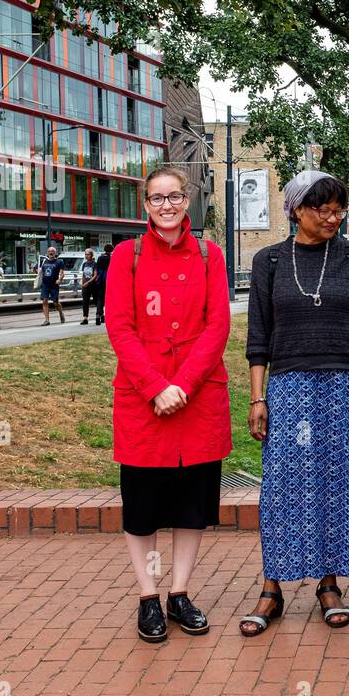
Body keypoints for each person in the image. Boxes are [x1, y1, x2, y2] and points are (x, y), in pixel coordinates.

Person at [242, 169, 349, 637]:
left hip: (344, 385)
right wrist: (258, 397)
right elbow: (258, 336)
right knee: (282, 488)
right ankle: (272, 588)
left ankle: (329, 585)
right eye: (323, 209)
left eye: (339, 208)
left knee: (338, 484)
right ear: (296, 210)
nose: (334, 217)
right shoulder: (269, 261)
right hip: (288, 386)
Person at [104, 166, 231, 644]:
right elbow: (120, 327)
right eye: (157, 198)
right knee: (141, 505)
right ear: (145, 205)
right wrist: (157, 387)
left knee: (190, 503)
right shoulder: (126, 256)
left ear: (188, 201)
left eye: (175, 196)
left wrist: (184, 384)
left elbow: (217, 325)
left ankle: (179, 592)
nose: (167, 205)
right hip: (145, 402)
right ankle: (147, 596)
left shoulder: (209, 255)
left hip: (196, 401)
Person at [38, 246, 65, 325]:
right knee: (44, 301)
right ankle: (47, 320)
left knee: (55, 302)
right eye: (49, 251)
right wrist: (37, 270)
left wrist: (60, 279)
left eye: (53, 251)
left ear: (55, 253)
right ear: (47, 252)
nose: (51, 252)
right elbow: (38, 270)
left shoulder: (59, 262)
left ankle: (60, 312)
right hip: (45, 284)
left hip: (54, 285)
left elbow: (62, 273)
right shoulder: (44, 261)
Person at [78, 247, 99, 325]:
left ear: (91, 255)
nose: (86, 256)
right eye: (85, 254)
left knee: (96, 301)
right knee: (85, 302)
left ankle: (100, 314)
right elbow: (83, 275)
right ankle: (85, 318)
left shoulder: (95, 264)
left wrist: (88, 282)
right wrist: (83, 283)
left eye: (88, 254)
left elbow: (95, 275)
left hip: (93, 285)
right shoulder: (84, 264)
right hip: (85, 286)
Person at [94, 243, 112, 325]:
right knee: (110, 299)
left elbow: (97, 269)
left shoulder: (100, 258)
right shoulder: (112, 258)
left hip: (101, 280)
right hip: (110, 280)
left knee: (100, 298)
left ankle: (98, 314)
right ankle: (107, 316)